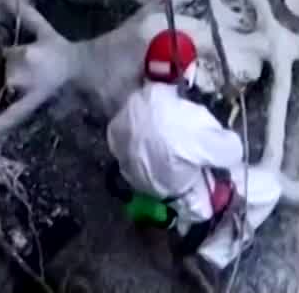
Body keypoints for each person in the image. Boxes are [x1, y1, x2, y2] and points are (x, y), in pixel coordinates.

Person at [105, 30, 281, 286]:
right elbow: (233, 152)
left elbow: (114, 141)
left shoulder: (131, 107)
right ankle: (210, 257)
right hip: (190, 203)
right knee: (270, 189)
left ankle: (161, 228)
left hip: (145, 192)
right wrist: (214, 121)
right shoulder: (188, 119)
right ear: (185, 73)